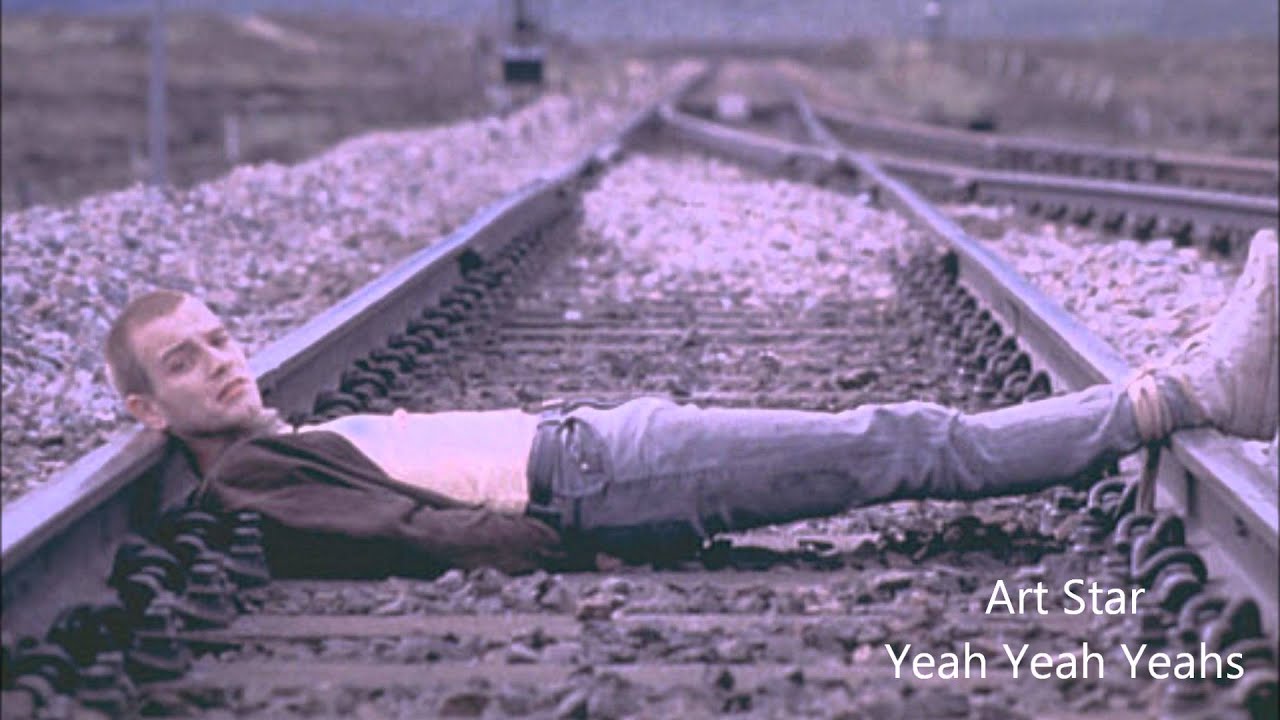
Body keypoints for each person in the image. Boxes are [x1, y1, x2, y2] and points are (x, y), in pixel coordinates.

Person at [104, 230, 1278, 576]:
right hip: (597, 478)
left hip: (598, 450)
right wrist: (560, 543)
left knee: (887, 441)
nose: (222, 362)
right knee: (901, 442)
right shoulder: (251, 474)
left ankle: (1169, 388)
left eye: (219, 339)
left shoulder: (280, 440)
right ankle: (1180, 394)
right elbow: (405, 533)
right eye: (186, 365)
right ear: (149, 412)